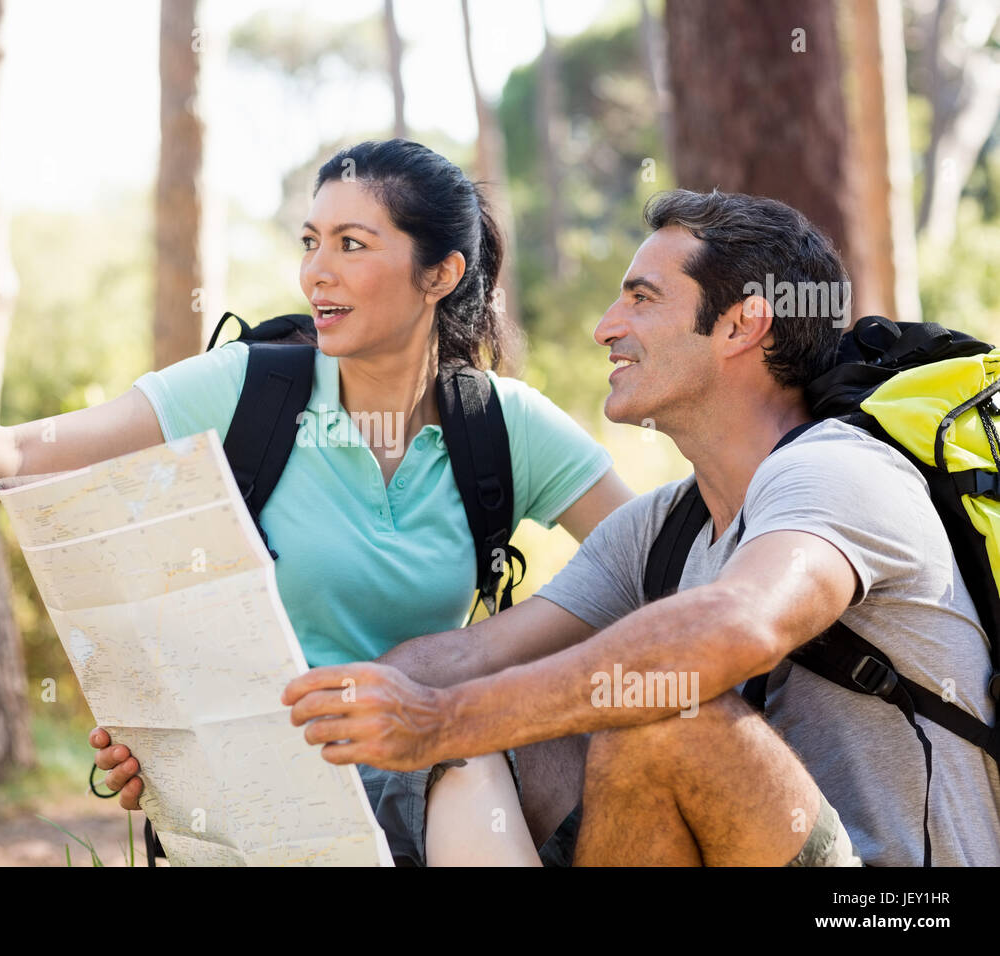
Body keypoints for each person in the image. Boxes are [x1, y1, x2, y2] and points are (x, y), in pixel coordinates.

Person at [0, 139, 634, 866]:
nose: (315, 274)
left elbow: (651, 563)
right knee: (462, 759)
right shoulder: (249, 388)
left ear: (440, 275)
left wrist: (481, 659)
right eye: (309, 241)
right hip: (255, 794)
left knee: (478, 753)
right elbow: (15, 459)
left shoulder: (503, 426)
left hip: (427, 765)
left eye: (352, 246)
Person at [284, 188, 1000, 866]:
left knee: (662, 718)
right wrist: (285, 723)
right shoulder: (663, 527)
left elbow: (735, 628)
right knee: (527, 718)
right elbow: (469, 660)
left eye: (641, 298)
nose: (606, 327)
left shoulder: (842, 473)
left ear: (741, 324)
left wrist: (445, 720)